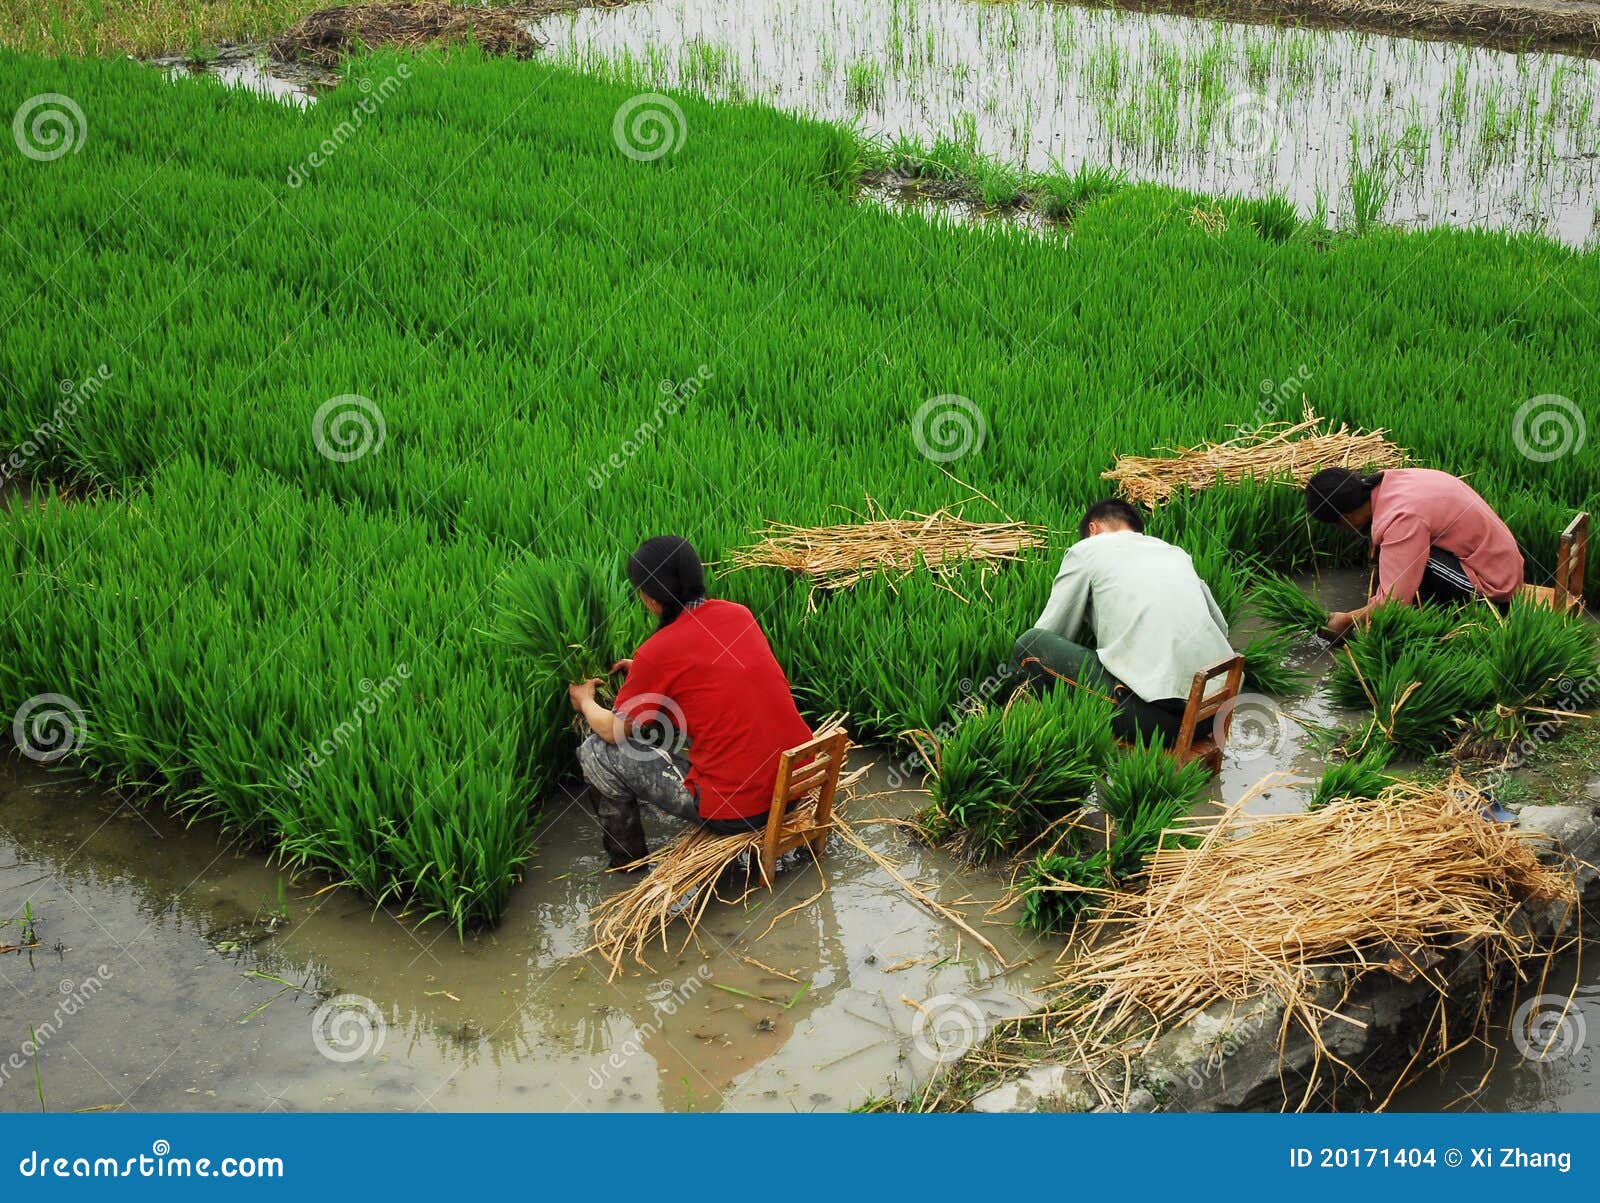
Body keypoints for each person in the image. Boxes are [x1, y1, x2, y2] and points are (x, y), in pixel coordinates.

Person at [569, 535, 813, 869]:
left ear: (650, 598)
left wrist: (584, 701)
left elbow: (613, 732)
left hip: (740, 809)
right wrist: (646, 672)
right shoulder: (737, 615)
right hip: (796, 784)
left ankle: (626, 863)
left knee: (596, 752)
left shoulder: (658, 651)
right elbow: (714, 677)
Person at [1012, 499, 1236, 744]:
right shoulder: (1175, 553)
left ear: (1093, 529)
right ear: (1136, 530)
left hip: (1164, 724)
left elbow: (1051, 632)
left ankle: (1034, 736)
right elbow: (1220, 627)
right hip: (1216, 714)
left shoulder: (1087, 550)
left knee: (1029, 645)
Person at [1303, 467, 1524, 639]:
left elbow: (1393, 603)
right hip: (1496, 561)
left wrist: (1346, 621)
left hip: (1495, 589)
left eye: (1339, 526)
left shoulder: (1401, 518)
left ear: (1347, 517)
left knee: (1414, 566)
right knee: (1394, 557)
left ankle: (1460, 617)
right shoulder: (1391, 482)